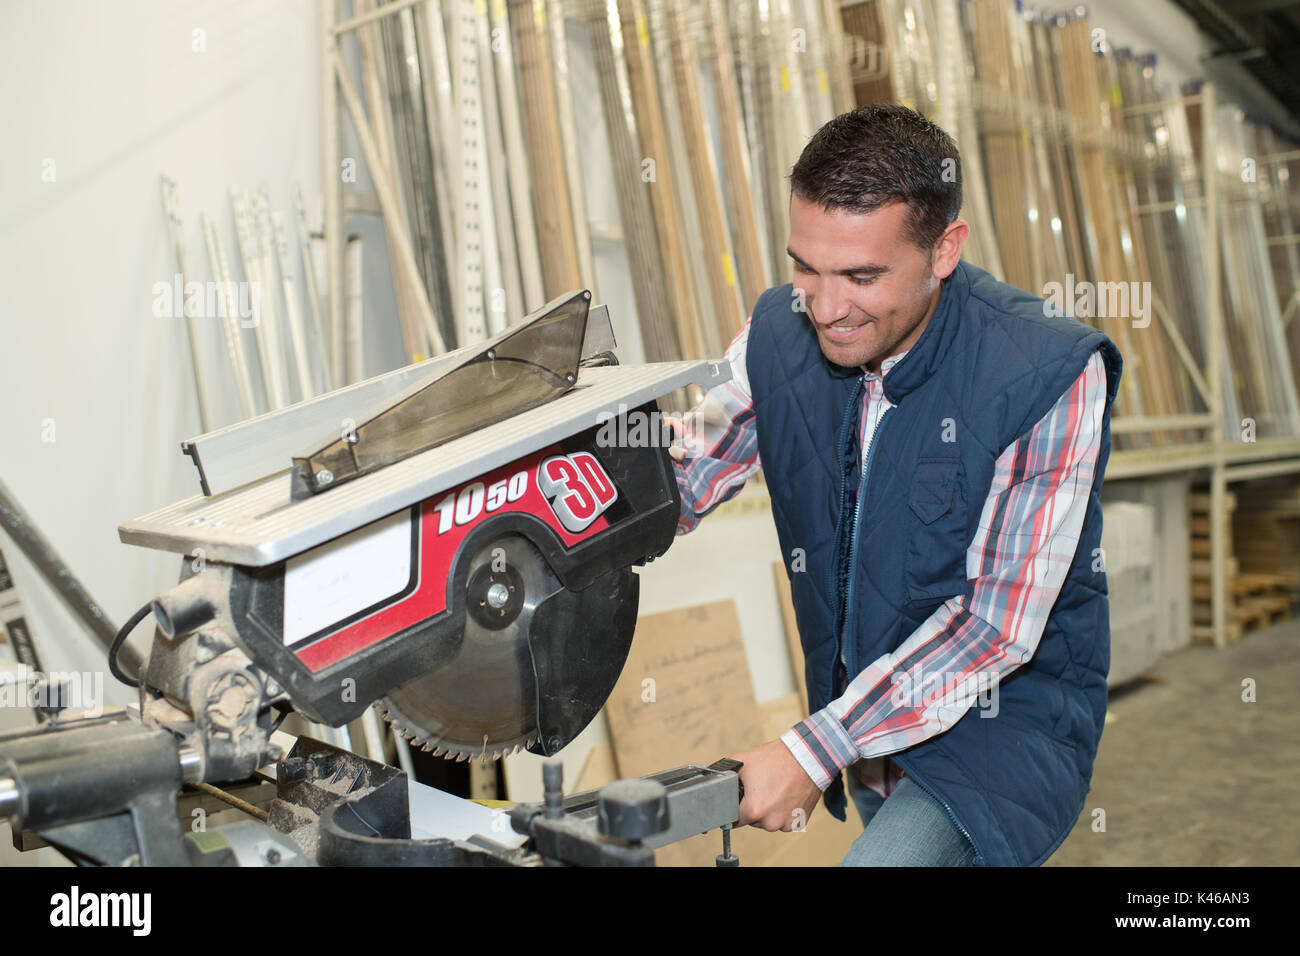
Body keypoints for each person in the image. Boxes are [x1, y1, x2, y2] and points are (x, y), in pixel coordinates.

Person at [668, 104, 1123, 866]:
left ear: (944, 249)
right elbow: (689, 470)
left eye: (862, 276)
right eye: (805, 266)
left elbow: (993, 625)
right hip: (871, 708)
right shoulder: (785, 329)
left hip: (1002, 723)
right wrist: (564, 497)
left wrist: (813, 751)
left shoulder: (1048, 370)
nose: (826, 305)